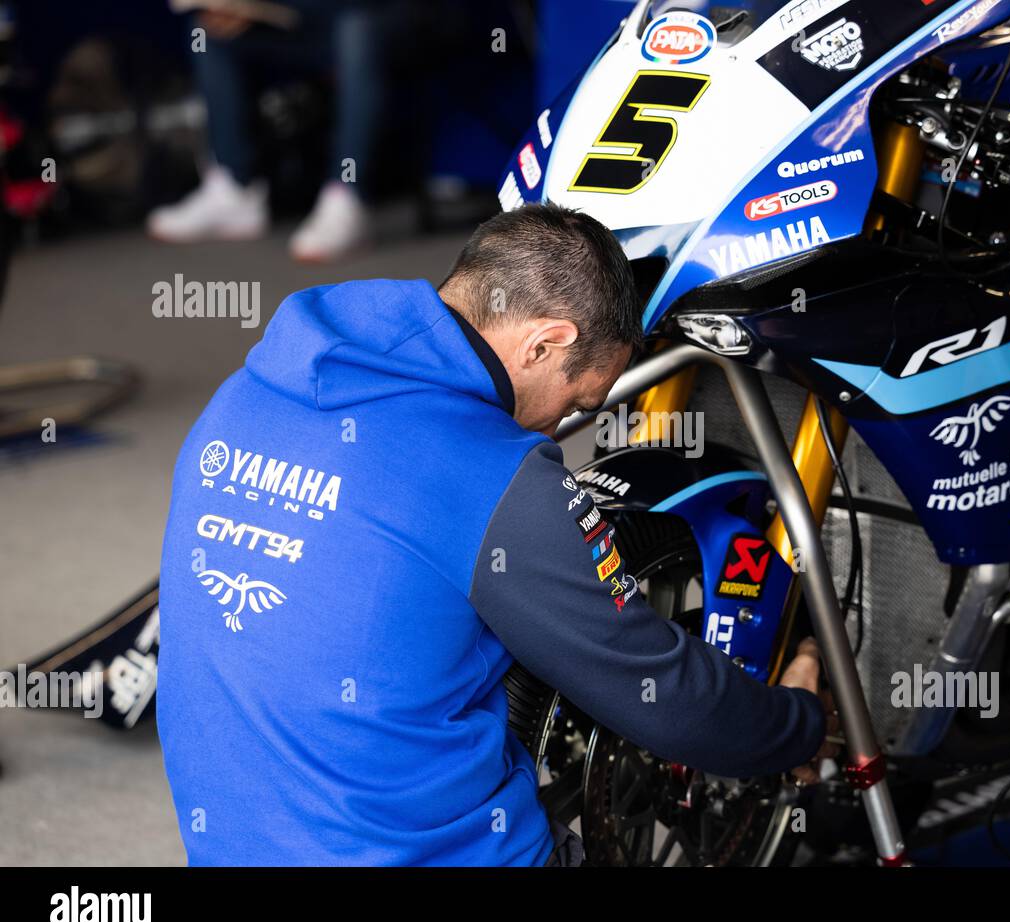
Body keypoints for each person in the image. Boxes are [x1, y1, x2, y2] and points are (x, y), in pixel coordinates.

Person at [156, 202, 832, 865]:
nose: (558, 431)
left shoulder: (246, 393)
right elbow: (667, 698)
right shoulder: (489, 474)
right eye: (580, 403)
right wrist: (797, 723)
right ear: (546, 341)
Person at [147, 0, 413, 262]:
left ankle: (347, 191)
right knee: (205, 32)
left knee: (357, 26)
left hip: (391, 15)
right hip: (315, 17)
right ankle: (236, 186)